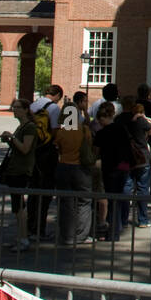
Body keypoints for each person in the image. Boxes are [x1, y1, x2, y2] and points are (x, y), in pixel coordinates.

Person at [0, 98, 38, 251]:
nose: (14, 110)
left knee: (19, 206)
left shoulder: (29, 127)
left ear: (26, 109)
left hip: (22, 170)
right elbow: (17, 147)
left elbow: (25, 149)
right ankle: (20, 237)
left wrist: (12, 138)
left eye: (17, 107)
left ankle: (23, 239)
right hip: (15, 168)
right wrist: (9, 140)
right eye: (13, 107)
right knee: (17, 206)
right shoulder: (21, 127)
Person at [54, 101, 94, 246]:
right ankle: (81, 235)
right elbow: (89, 146)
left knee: (66, 202)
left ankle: (67, 235)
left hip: (63, 166)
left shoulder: (61, 132)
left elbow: (57, 148)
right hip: (81, 168)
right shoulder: (84, 130)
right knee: (84, 201)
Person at [93, 102, 133, 237]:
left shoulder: (101, 133)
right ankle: (120, 224)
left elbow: (96, 152)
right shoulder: (121, 129)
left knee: (112, 198)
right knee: (121, 195)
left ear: (102, 118)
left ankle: (114, 230)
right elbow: (129, 145)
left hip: (110, 168)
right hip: (123, 165)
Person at [28, 83, 63, 238]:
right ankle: (39, 228)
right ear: (57, 96)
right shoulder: (54, 108)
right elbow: (55, 130)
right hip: (47, 152)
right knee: (45, 191)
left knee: (33, 190)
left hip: (32, 150)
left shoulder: (33, 105)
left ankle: (30, 225)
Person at [116, 97, 151, 225]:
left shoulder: (118, 119)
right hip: (141, 156)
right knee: (142, 187)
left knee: (126, 186)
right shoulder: (139, 119)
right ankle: (143, 219)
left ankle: (123, 219)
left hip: (124, 157)